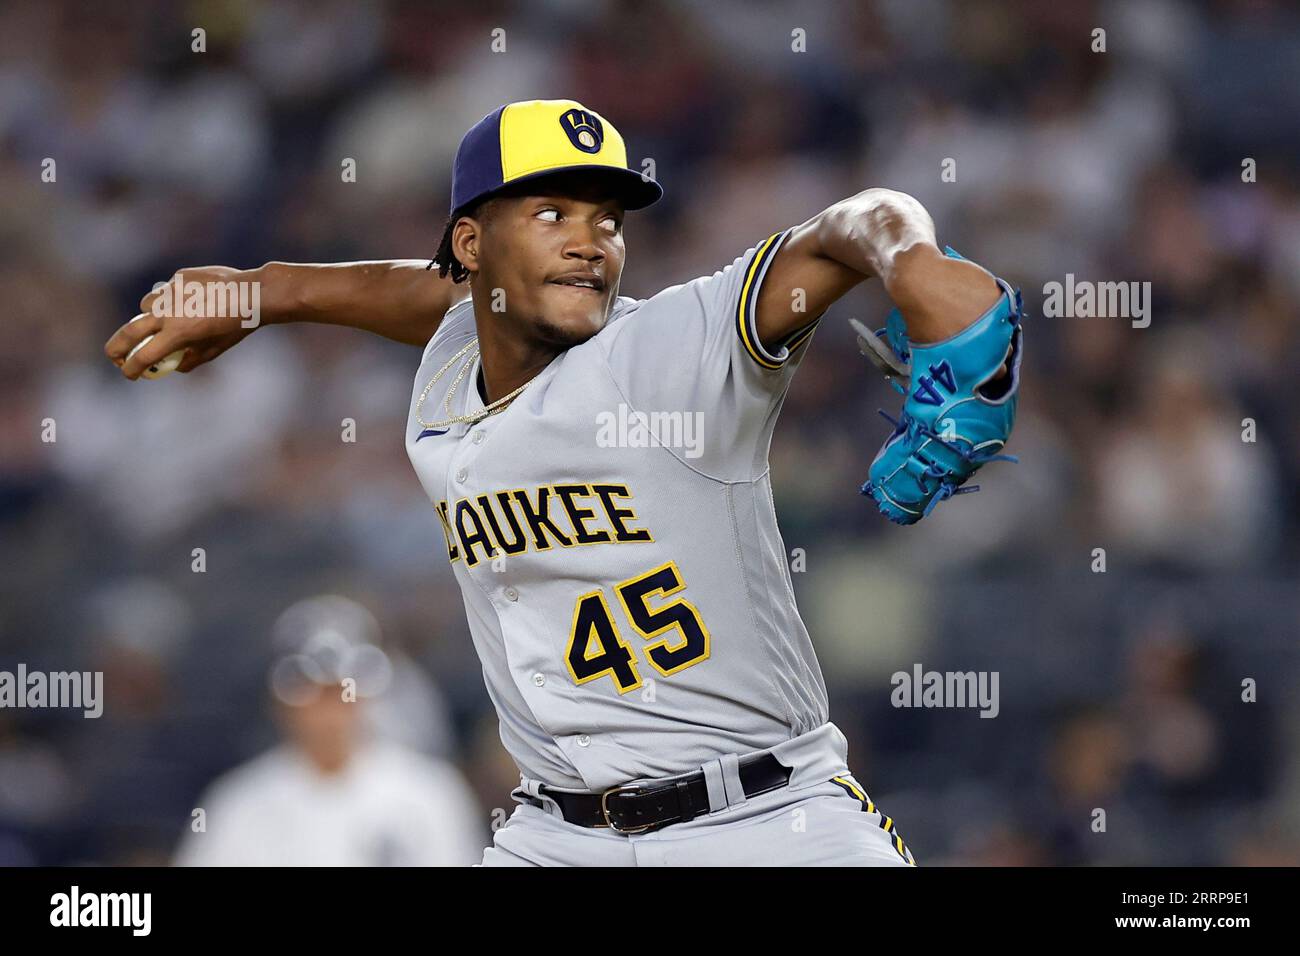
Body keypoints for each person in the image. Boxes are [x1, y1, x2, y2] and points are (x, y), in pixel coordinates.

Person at [110, 99, 1023, 866]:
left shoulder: (674, 351)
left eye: (609, 221)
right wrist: (263, 291)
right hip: (557, 835)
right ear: (470, 244)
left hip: (765, 820)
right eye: (553, 214)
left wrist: (912, 261)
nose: (591, 244)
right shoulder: (453, 354)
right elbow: (422, 298)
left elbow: (848, 225)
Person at [173, 596, 483, 867]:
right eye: (313, 692)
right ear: (279, 700)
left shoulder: (430, 794)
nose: (330, 711)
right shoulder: (239, 805)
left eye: (340, 691)